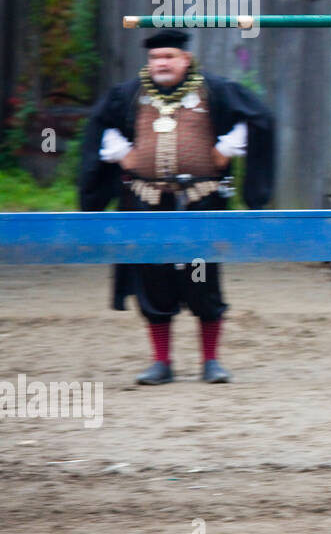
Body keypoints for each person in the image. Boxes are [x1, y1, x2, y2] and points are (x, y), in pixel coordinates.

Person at [78, 29, 274, 385]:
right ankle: (161, 362)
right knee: (153, 280)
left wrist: (225, 149)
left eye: (168, 56)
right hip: (146, 203)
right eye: (155, 58)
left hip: (201, 203)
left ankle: (211, 361)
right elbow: (99, 127)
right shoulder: (127, 95)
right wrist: (123, 154)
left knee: (203, 279)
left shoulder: (214, 90)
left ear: (186, 60)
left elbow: (258, 117)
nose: (161, 64)